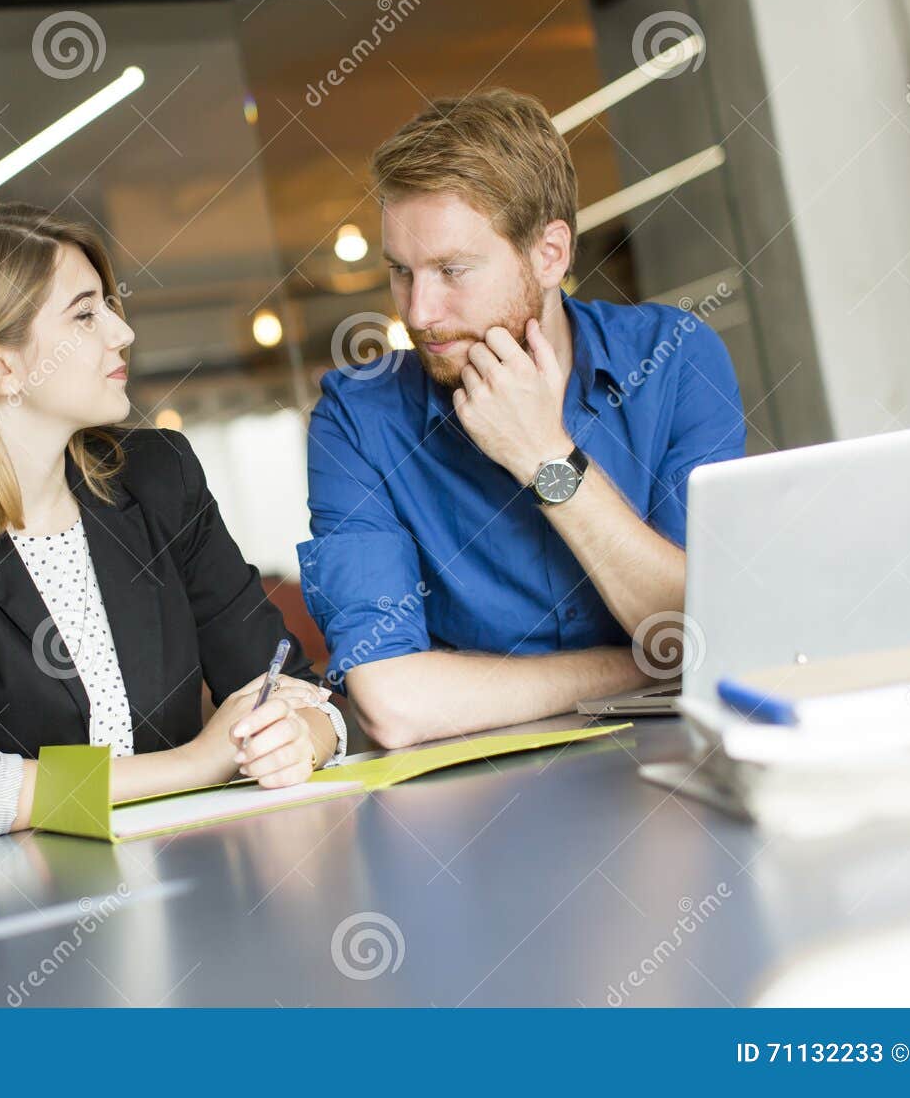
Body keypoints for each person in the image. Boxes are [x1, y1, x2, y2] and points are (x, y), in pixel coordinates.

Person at [0, 201, 346, 851]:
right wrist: (196, 763)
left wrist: (304, 737)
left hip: (196, 885)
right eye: (84, 313)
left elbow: (289, 686)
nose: (121, 332)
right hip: (9, 918)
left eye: (108, 303)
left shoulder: (158, 473)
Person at [297, 89, 746, 750]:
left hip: (687, 774)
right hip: (478, 817)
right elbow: (394, 703)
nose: (418, 312)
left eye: (452, 270)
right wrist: (637, 665)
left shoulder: (675, 360)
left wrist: (548, 460)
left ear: (549, 255)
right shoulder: (357, 421)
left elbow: (709, 623)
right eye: (401, 271)